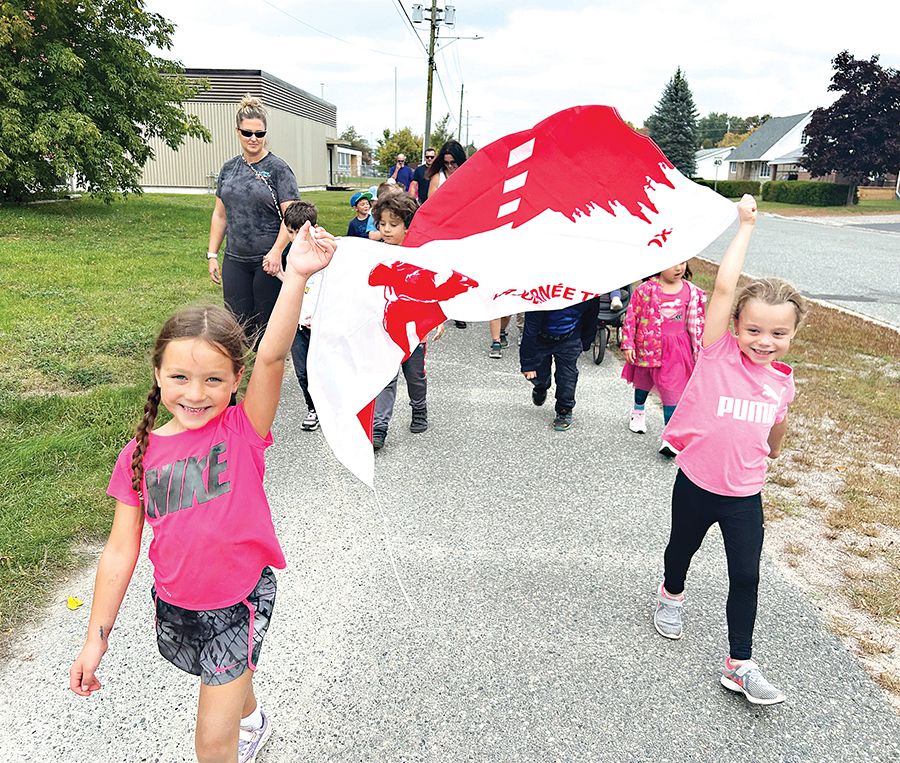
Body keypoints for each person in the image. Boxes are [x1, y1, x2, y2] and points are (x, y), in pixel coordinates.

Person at [68, 222, 337, 761]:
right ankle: (253, 714)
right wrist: (96, 636)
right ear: (158, 375)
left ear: (236, 379)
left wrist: (297, 276)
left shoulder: (244, 430)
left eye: (214, 380)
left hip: (239, 601)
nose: (196, 394)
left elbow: (272, 357)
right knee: (231, 682)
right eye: (181, 378)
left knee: (212, 741)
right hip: (177, 604)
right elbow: (121, 549)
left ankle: (242, 727)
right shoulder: (138, 455)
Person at [652, 195, 807, 706]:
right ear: (736, 327)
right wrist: (746, 225)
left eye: (778, 333)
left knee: (745, 574)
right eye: (755, 330)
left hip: (745, 494)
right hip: (696, 482)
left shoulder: (783, 382)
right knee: (683, 550)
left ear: (792, 334)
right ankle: (671, 595)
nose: (765, 341)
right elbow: (723, 286)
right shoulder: (717, 353)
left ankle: (739, 663)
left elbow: (776, 430)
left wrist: (774, 452)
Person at [207, 95, 299, 343]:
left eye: (259, 134)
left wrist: (277, 252)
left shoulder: (278, 168)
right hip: (235, 259)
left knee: (267, 328)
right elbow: (220, 213)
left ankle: (266, 377)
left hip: (267, 260)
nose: (253, 139)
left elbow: (292, 216)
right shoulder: (229, 169)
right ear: (238, 132)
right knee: (236, 326)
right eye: (248, 133)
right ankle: (242, 376)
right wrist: (212, 254)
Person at [370, 193, 445, 450]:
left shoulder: (419, 256)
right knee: (386, 378)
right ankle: (379, 428)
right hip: (385, 329)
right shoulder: (374, 254)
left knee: (415, 376)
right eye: (382, 224)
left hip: (414, 330)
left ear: (407, 225)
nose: (387, 230)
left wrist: (438, 319)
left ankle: (419, 408)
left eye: (394, 224)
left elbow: (433, 291)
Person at [620, 261, 705, 452]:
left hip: (676, 350)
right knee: (643, 382)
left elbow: (697, 322)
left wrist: (698, 349)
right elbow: (632, 316)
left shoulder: (691, 292)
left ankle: (670, 436)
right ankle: (638, 411)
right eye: (672, 264)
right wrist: (628, 343)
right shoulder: (645, 290)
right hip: (647, 345)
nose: (678, 268)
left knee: (671, 390)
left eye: (683, 263)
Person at [519, 299, 599, 431]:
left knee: (567, 377)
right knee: (538, 375)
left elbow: (591, 318)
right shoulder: (540, 295)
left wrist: (585, 342)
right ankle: (541, 386)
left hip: (570, 338)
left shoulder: (587, 294)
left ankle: (564, 410)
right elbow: (530, 329)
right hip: (541, 338)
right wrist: (527, 364)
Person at [283, 202, 324, 431]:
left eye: (300, 231)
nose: (296, 236)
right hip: (298, 324)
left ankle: (333, 408)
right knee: (302, 371)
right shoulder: (289, 255)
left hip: (321, 325)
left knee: (324, 369)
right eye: (291, 231)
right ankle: (313, 408)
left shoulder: (325, 251)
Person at [427, 140, 469, 329]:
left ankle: (459, 310)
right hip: (442, 229)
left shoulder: (468, 175)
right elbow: (430, 204)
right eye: (447, 163)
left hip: (462, 229)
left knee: (460, 272)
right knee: (443, 270)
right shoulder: (439, 176)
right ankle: (441, 309)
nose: (451, 166)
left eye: (454, 163)